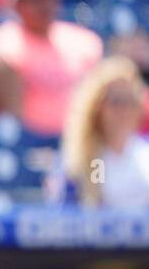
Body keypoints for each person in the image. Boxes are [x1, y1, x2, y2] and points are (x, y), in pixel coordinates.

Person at [0, 0, 103, 140]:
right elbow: (3, 109)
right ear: (15, 2)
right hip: (26, 144)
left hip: (79, 141)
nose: (45, 4)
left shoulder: (86, 41)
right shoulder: (2, 43)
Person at [61, 57, 149, 209]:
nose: (124, 109)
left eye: (130, 101)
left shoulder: (144, 151)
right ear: (97, 107)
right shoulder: (94, 159)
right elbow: (93, 206)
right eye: (116, 101)